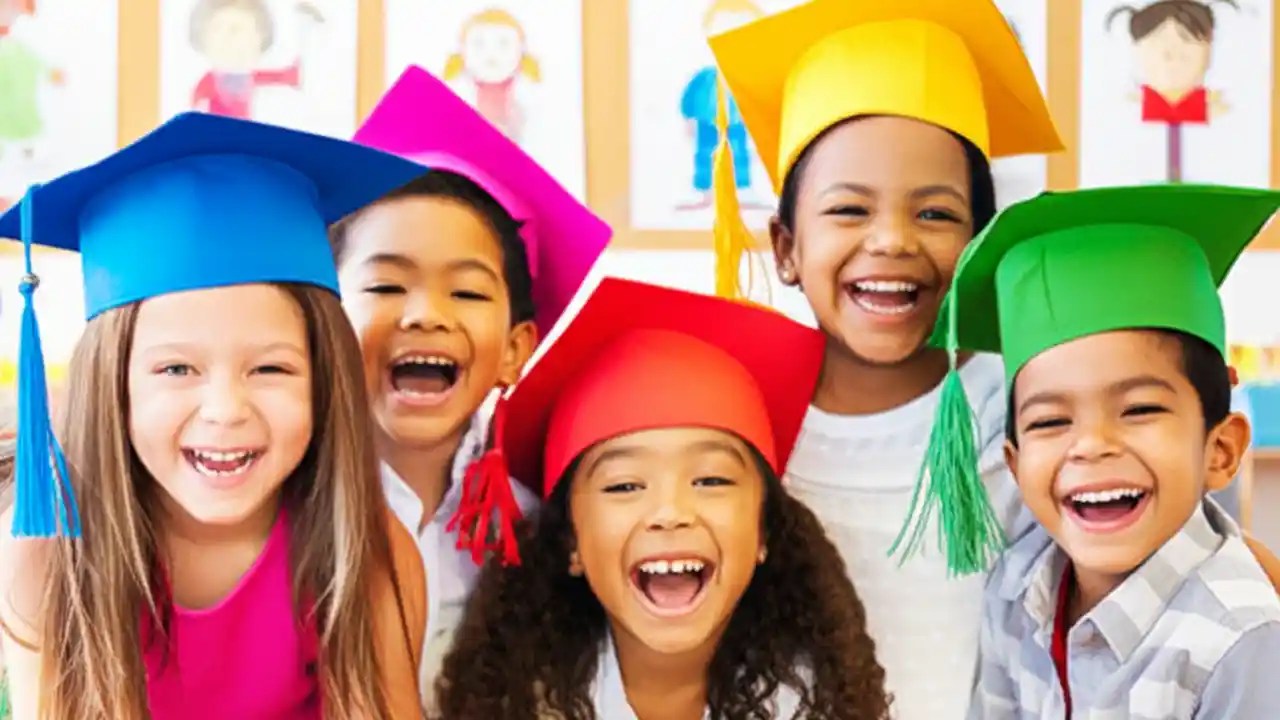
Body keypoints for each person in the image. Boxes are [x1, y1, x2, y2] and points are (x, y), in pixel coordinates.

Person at [0, 112, 429, 719]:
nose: (226, 410)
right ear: (110, 385)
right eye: (176, 370)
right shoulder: (46, 551)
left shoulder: (366, 551)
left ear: (325, 378)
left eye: (271, 369)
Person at [705, 1, 1061, 716]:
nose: (892, 241)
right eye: (848, 210)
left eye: (935, 213)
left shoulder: (1028, 411)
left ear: (979, 247)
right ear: (785, 249)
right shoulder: (728, 416)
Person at [434, 278, 891, 719]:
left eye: (711, 480)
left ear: (763, 531)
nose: (670, 513)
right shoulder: (513, 703)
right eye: (624, 486)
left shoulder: (815, 701)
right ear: (570, 543)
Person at [935, 184, 1280, 717]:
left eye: (1140, 410)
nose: (1092, 445)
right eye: (1050, 420)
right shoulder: (1015, 589)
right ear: (1015, 463)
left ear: (1221, 450)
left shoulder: (1241, 641)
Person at [334, 65, 611, 697]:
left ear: (516, 349)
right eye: (384, 286)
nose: (426, 313)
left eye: (465, 290)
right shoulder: (275, 509)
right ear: (324, 318)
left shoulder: (542, 532)